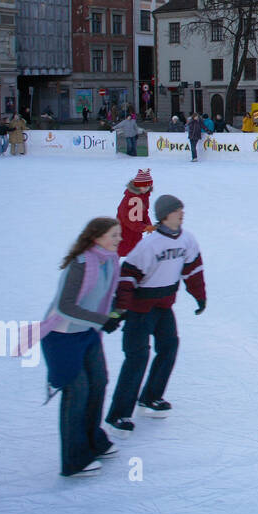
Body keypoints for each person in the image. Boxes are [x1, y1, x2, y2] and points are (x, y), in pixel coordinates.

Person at [105, 195, 206, 435]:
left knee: (169, 348)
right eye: (177, 210)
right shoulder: (149, 245)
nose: (182, 213)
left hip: (163, 306)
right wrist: (119, 310)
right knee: (137, 358)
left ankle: (150, 397)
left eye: (182, 209)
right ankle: (118, 414)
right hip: (140, 309)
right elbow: (127, 277)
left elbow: (193, 270)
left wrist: (199, 296)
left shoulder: (187, 240)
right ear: (164, 215)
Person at [38, 217, 125, 477]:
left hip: (86, 332)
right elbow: (66, 307)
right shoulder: (81, 264)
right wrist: (102, 320)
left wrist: (115, 312)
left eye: (119, 234)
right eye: (113, 235)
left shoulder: (109, 260)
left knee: (98, 382)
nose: (118, 239)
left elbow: (102, 296)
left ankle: (93, 441)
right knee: (78, 392)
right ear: (96, 238)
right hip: (61, 336)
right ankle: (74, 460)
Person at [116, 168, 155, 256]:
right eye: (144, 186)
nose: (146, 189)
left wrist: (148, 224)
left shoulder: (144, 196)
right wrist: (143, 227)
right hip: (124, 231)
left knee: (136, 252)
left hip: (136, 232)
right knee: (120, 250)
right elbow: (127, 218)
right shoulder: (131, 199)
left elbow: (144, 213)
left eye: (148, 186)